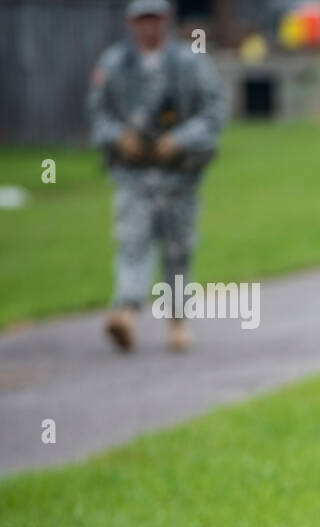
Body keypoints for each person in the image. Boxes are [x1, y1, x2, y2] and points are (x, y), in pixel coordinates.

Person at [86, 0, 227, 352]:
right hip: (133, 175)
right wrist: (118, 136)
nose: (149, 26)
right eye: (142, 19)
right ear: (131, 22)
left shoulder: (191, 63)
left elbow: (214, 112)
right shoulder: (113, 64)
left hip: (179, 175)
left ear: (165, 20)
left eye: (155, 19)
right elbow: (97, 113)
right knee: (132, 242)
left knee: (178, 249)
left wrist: (178, 140)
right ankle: (126, 312)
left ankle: (178, 322)